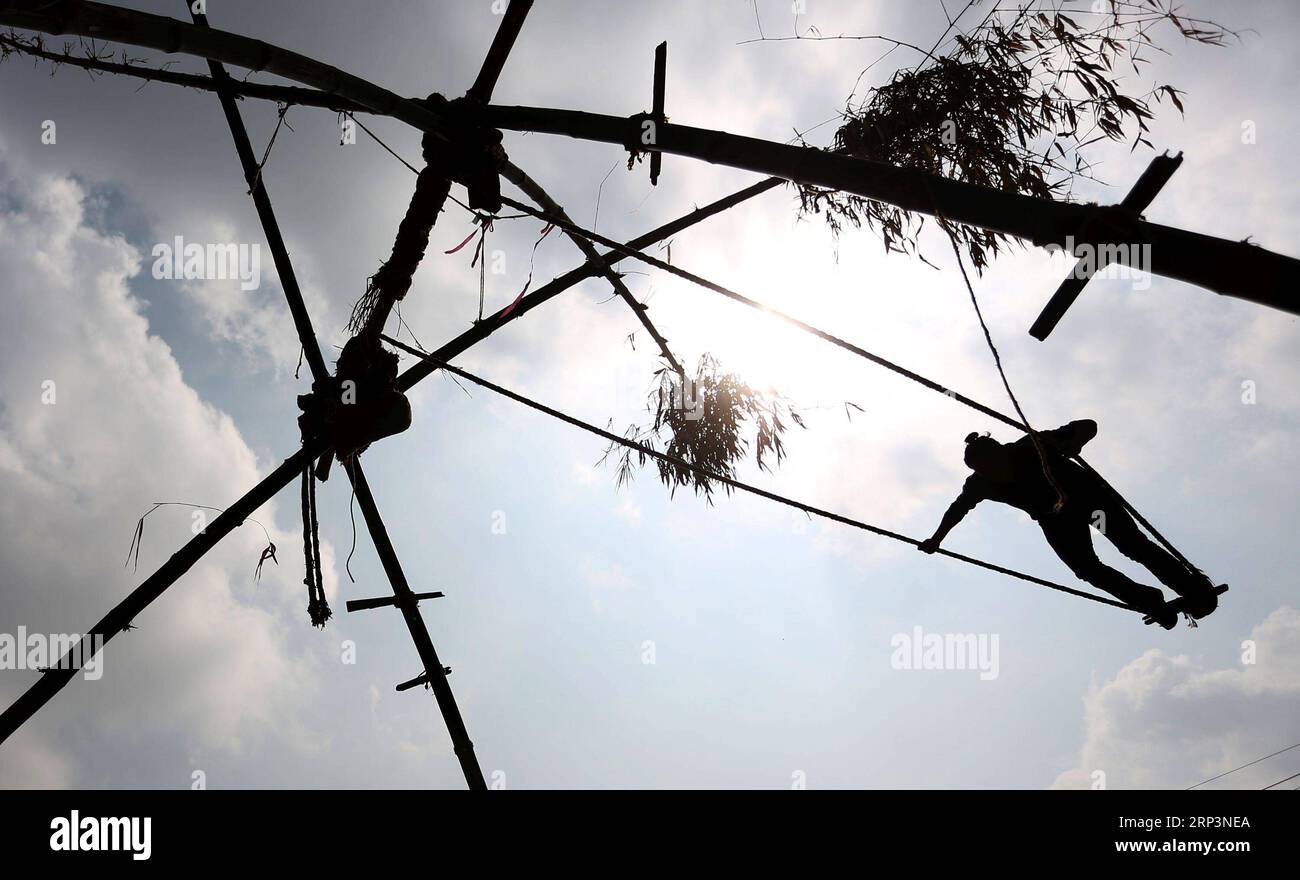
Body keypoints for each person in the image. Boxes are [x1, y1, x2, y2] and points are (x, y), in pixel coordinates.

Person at [917, 419, 1217, 628]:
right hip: (1058, 519)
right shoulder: (980, 483)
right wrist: (936, 539)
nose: (992, 473)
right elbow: (957, 510)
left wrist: (1073, 443)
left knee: (1132, 546)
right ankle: (1148, 599)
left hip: (1089, 502)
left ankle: (1191, 586)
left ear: (1001, 452)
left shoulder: (1030, 446)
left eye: (992, 466)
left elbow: (1087, 425)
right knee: (1086, 569)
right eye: (983, 470)